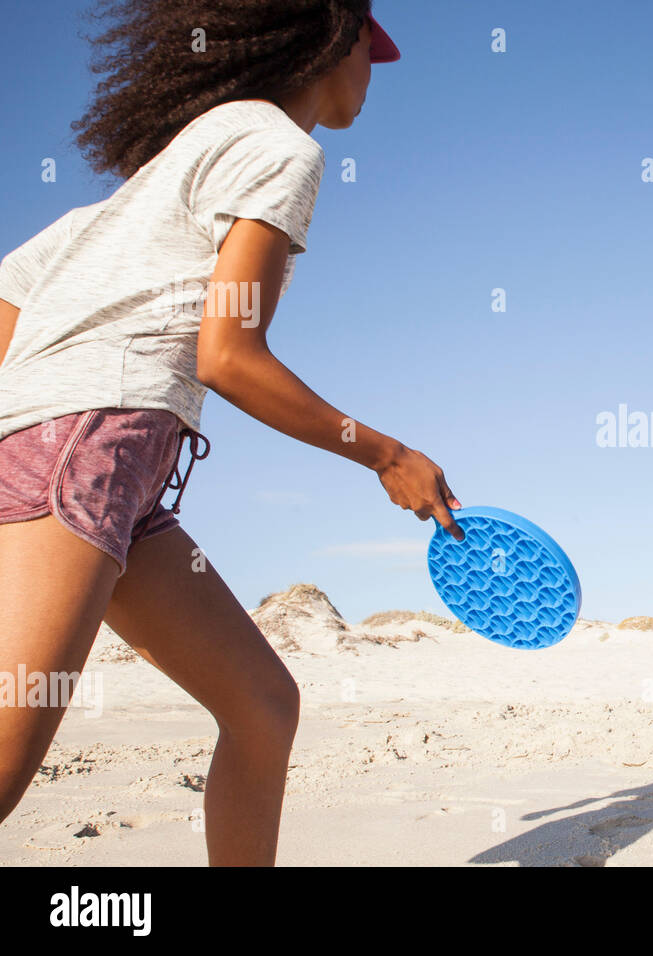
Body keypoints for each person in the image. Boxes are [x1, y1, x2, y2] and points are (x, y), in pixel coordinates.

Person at [0, 1, 463, 866]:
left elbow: (11, 298)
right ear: (335, 37)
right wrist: (387, 454)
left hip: (100, 461)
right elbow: (228, 355)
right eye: (373, 47)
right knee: (6, 761)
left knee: (261, 705)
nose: (378, 70)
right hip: (87, 445)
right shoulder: (283, 148)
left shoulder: (155, 181)